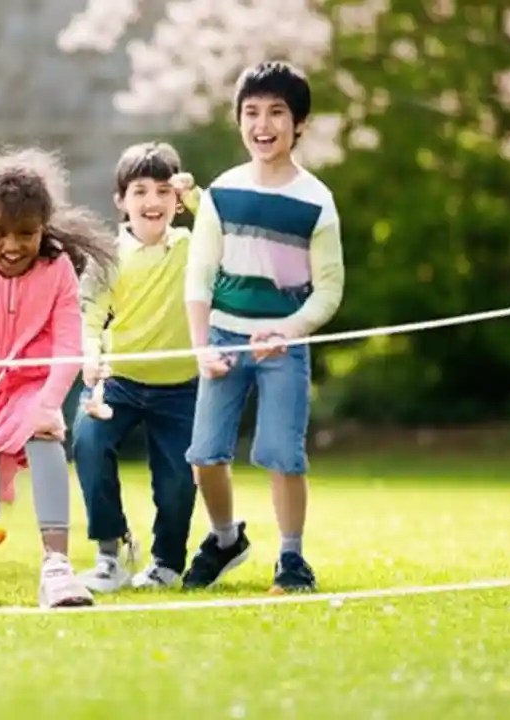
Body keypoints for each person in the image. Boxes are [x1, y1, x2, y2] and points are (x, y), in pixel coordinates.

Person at [181, 61, 345, 594]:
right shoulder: (222, 194)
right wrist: (201, 347)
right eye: (251, 112)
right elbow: (199, 277)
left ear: (299, 123)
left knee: (283, 454)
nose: (263, 124)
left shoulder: (316, 201)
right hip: (224, 340)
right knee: (205, 454)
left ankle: (292, 559)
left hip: (283, 346)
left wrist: (289, 330)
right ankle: (225, 539)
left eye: (277, 112)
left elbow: (329, 289)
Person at [0, 148, 117, 608]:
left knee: (46, 440)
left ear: (43, 227)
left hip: (35, 386)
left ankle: (57, 567)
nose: (12, 246)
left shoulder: (57, 272)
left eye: (26, 234)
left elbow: (68, 346)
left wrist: (48, 404)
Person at [73, 142, 201, 592]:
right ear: (121, 201)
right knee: (89, 444)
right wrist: (90, 358)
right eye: (140, 191)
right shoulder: (107, 255)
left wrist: (195, 193)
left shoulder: (192, 245)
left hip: (181, 386)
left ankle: (167, 561)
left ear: (177, 201)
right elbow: (88, 318)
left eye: (164, 191)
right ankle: (110, 553)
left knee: (179, 481)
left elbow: (220, 226)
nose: (152, 201)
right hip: (118, 381)